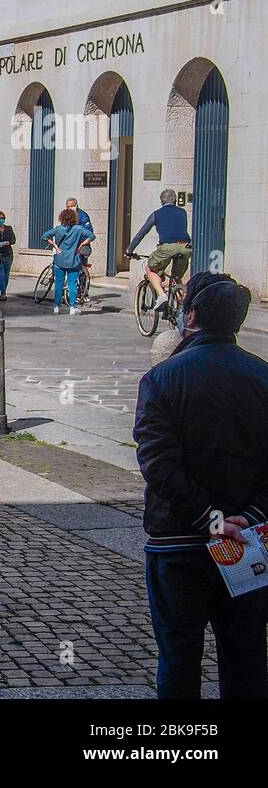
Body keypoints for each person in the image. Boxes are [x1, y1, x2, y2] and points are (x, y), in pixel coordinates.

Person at [133, 271, 268, 698]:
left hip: (178, 540)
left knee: (178, 656)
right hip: (247, 539)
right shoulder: (262, 377)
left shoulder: (162, 379)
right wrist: (247, 516)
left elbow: (158, 464)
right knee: (246, 656)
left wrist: (210, 520)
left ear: (190, 316)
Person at [126, 188, 194, 315]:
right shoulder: (182, 212)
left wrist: (130, 249)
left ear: (161, 201)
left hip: (167, 247)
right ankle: (184, 307)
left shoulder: (156, 214)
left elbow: (142, 233)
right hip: (185, 247)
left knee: (150, 268)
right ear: (174, 200)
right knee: (176, 278)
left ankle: (162, 296)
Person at [42, 208, 95, 315]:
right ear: (74, 218)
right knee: (72, 284)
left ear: (62, 217)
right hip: (73, 260)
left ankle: (56, 307)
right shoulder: (78, 229)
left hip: (59, 259)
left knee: (59, 284)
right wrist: (81, 245)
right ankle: (72, 307)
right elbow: (92, 236)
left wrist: (55, 246)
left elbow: (44, 236)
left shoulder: (58, 229)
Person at [66, 197, 94, 305]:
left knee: (81, 268)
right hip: (70, 245)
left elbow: (89, 232)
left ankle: (83, 293)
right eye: (68, 206)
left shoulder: (83, 215)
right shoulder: (66, 216)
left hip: (82, 245)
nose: (70, 208)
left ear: (76, 205)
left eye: (72, 206)